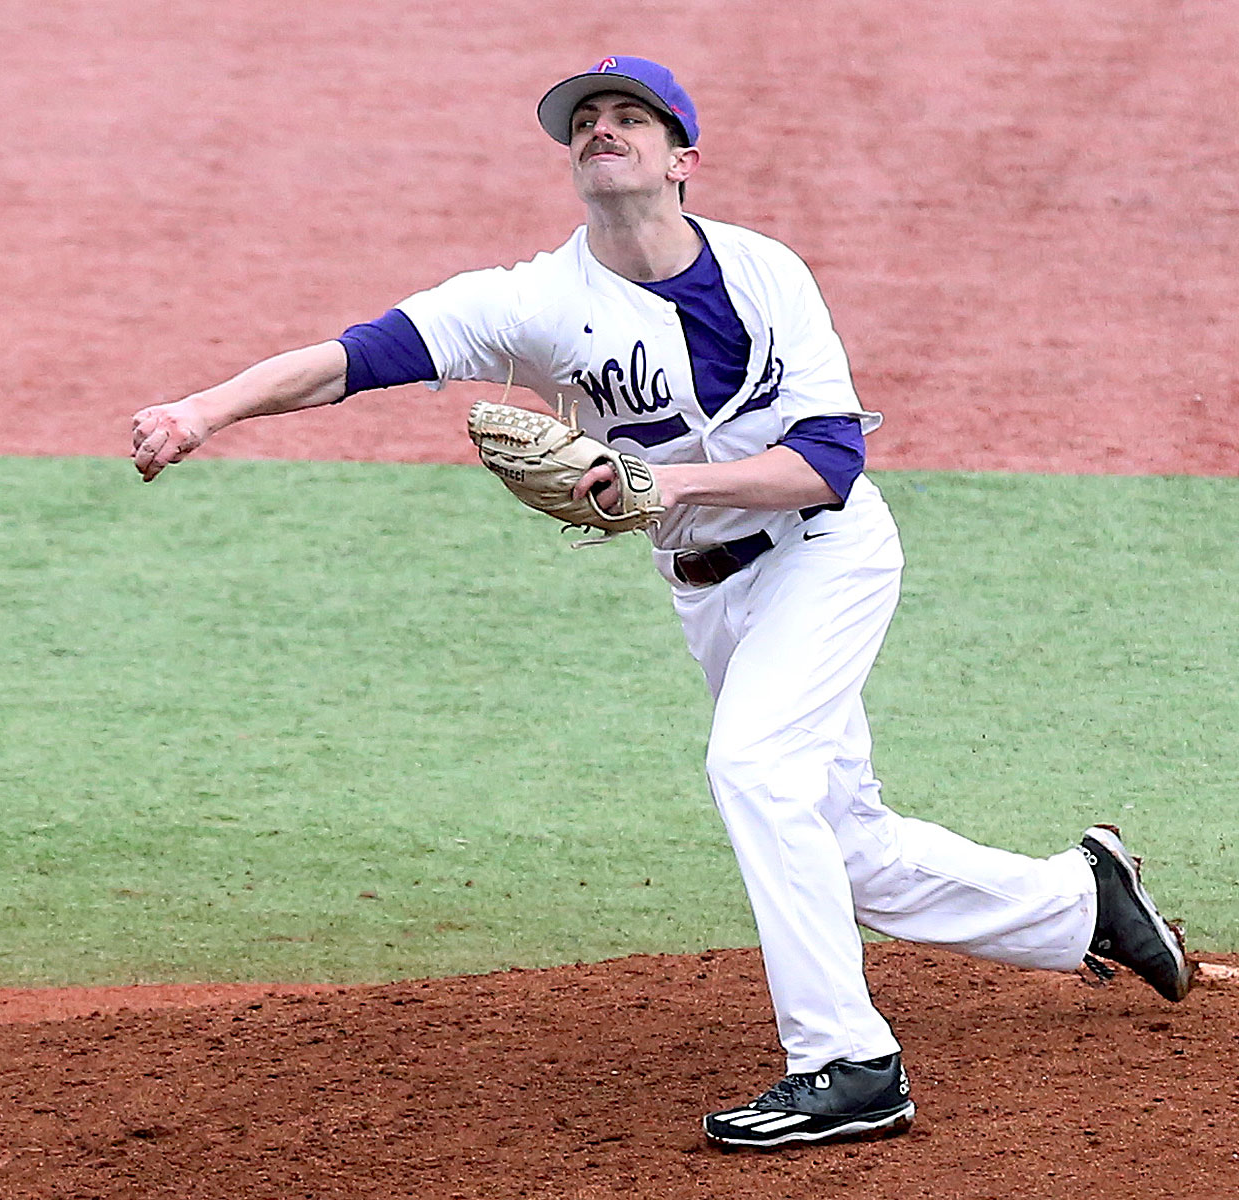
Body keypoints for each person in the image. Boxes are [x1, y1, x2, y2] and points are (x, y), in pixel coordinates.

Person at [128, 56, 1192, 1149]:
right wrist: (203, 411)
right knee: (843, 846)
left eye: (629, 116)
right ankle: (1081, 901)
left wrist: (664, 482)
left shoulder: (766, 273)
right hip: (708, 592)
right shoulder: (535, 301)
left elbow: (829, 463)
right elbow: (355, 357)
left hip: (824, 555)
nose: (602, 129)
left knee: (755, 769)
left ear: (682, 158)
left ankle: (849, 1064)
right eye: (584, 120)